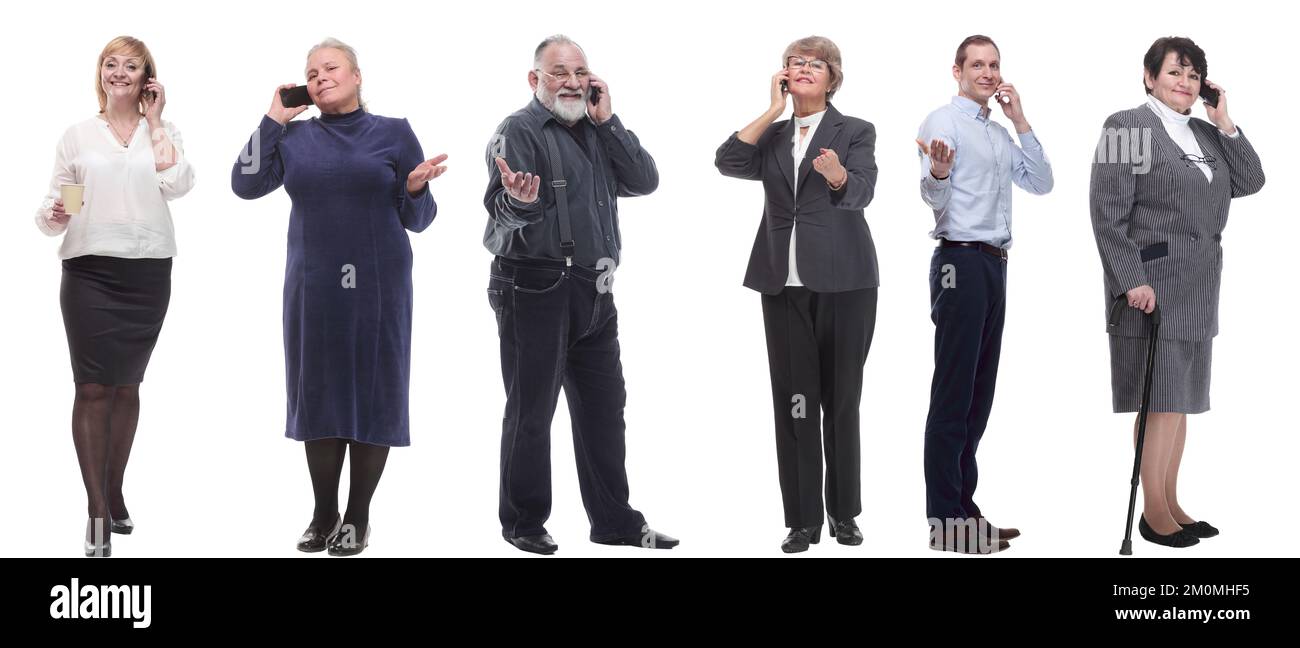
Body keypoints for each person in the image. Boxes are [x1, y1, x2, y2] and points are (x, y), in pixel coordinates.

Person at [231, 37, 444, 556]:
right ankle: (323, 510)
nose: (321, 76)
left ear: (356, 77)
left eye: (331, 68)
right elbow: (244, 182)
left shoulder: (394, 133)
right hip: (314, 286)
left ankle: (358, 516)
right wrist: (272, 118)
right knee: (319, 392)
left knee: (374, 392)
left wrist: (415, 189)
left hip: (378, 285)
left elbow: (420, 220)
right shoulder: (293, 138)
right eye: (312, 71)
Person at [483, 34, 676, 555]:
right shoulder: (517, 131)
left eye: (580, 72)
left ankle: (614, 521)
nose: (571, 81)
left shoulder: (596, 128)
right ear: (535, 80)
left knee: (604, 409)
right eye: (558, 72)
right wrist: (520, 202)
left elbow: (644, 179)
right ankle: (524, 522)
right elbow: (501, 213)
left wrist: (609, 121)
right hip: (534, 285)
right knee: (532, 409)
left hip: (596, 290)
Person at [1090, 36, 1264, 549]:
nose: (1185, 83)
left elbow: (1252, 180)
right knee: (1159, 399)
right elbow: (1107, 213)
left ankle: (1171, 501)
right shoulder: (1127, 127)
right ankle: (1153, 512)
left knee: (1180, 400)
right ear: (1149, 77)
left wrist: (1225, 122)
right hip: (1151, 285)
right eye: (1175, 73)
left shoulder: (1205, 135)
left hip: (1200, 286)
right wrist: (1130, 281)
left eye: (1193, 75)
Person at [715, 36, 879, 553]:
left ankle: (844, 513)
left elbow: (862, 192)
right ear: (783, 74)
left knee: (841, 401)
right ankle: (803, 518)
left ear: (833, 77)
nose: (804, 68)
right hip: (780, 284)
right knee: (797, 403)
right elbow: (727, 161)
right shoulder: (773, 133)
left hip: (846, 284)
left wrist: (837, 177)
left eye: (815, 64)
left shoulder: (855, 130)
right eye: (795, 62)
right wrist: (771, 109)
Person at [35, 36, 194, 557]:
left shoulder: (163, 132)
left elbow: (179, 184)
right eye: (111, 64)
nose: (119, 73)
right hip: (90, 272)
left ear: (148, 77)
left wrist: (154, 122)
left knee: (127, 387)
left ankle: (116, 490)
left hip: (148, 272)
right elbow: (62, 204)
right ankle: (96, 511)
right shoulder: (78, 136)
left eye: (131, 66)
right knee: (93, 390)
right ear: (100, 72)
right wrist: (57, 215)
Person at [915, 34, 1053, 554]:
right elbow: (931, 197)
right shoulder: (941, 123)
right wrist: (940, 171)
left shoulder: (997, 135)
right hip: (960, 261)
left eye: (994, 65)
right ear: (957, 70)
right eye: (978, 64)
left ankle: (963, 509)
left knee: (978, 395)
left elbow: (1042, 182)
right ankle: (944, 523)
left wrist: (1020, 121)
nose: (988, 73)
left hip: (995, 266)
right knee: (952, 395)